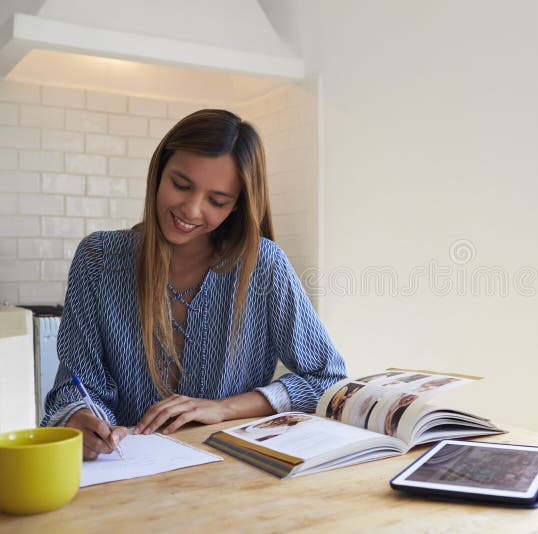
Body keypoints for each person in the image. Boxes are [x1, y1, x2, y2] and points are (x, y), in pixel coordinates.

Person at [41, 109, 347, 460]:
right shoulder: (99, 260)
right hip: (125, 477)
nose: (191, 209)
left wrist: (221, 408)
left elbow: (328, 381)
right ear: (159, 172)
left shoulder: (263, 264)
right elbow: (74, 387)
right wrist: (81, 419)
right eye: (181, 185)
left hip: (232, 479)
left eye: (217, 201)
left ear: (236, 206)